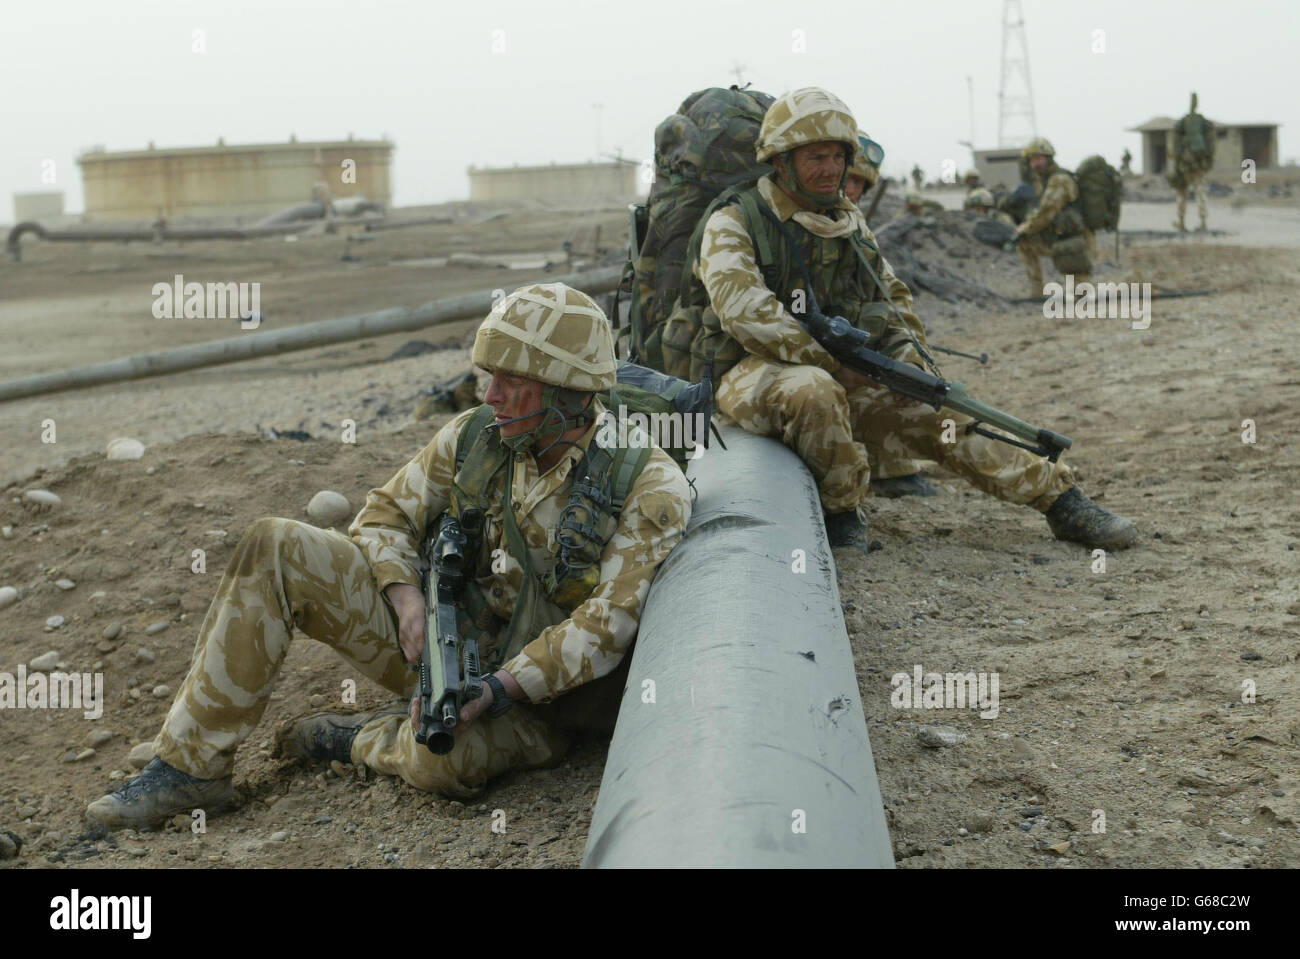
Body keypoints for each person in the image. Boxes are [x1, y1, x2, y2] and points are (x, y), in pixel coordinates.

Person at [85, 282, 692, 829]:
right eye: (489, 377)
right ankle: (190, 768)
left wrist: (496, 690)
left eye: (513, 382)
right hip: (441, 642)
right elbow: (383, 515)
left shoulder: (646, 484)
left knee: (440, 762)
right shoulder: (477, 435)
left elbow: (605, 628)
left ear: (566, 393)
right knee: (275, 543)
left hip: (537, 702)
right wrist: (407, 602)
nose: (492, 394)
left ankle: (357, 739)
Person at [679, 87, 1136, 554]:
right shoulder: (735, 220)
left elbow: (891, 297)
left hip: (840, 368)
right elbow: (745, 313)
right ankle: (841, 513)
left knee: (943, 410)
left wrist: (906, 359)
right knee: (813, 391)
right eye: (817, 156)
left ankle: (1060, 499)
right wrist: (832, 364)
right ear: (780, 160)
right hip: (746, 376)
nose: (832, 169)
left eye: (839, 156)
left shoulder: (846, 220)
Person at [846, 135, 936, 498]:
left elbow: (892, 294)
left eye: (859, 184)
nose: (850, 190)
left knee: (894, 374)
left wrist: (911, 356)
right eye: (846, 179)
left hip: (847, 347)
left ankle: (891, 468)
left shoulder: (852, 228)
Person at [1014, 137, 1094, 297]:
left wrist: (1023, 229)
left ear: (1049, 158)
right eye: (1032, 160)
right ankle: (1037, 292)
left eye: (1038, 159)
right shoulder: (1047, 181)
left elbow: (1046, 213)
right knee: (1024, 243)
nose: (1035, 164)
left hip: (1075, 240)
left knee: (1080, 296)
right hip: (1061, 237)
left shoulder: (1059, 180)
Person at [1170, 92, 1215, 232]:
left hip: (1185, 165)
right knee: (1200, 193)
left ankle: (1182, 222)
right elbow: (1211, 145)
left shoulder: (1183, 123)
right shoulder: (1203, 123)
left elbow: (1176, 145)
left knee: (1182, 194)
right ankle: (1202, 222)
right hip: (1198, 165)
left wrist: (1177, 161)